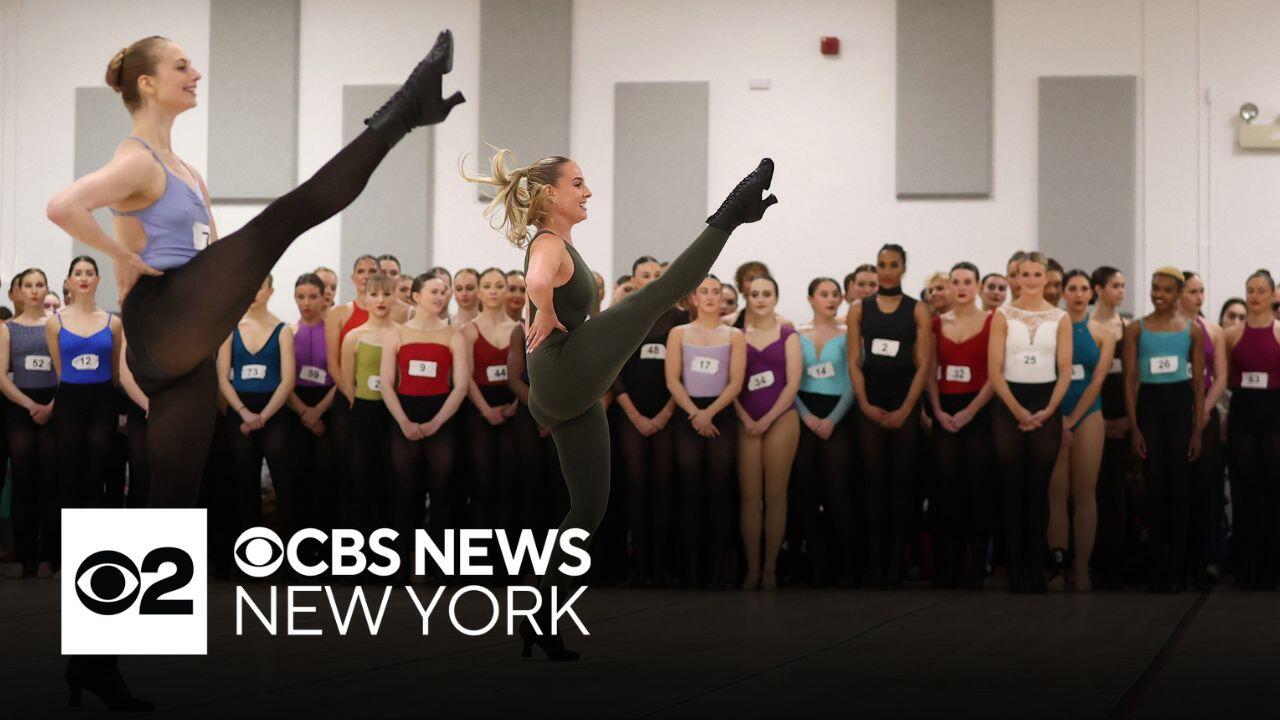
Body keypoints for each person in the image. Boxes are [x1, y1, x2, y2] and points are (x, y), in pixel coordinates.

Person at [464, 149, 775, 659]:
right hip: (564, 366)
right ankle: (731, 213)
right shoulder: (547, 241)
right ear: (549, 195)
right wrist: (540, 310)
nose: (587, 192)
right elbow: (537, 281)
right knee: (660, 295)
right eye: (578, 184)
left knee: (589, 508)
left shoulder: (561, 241)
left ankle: (538, 612)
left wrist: (544, 313)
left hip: (569, 387)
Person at [847, 244, 932, 588]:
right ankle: (873, 562)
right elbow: (854, 360)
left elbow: (923, 363)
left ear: (903, 268)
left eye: (893, 265)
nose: (886, 270)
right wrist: (865, 404)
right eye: (882, 264)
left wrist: (906, 409)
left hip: (904, 400)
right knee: (872, 481)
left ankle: (897, 563)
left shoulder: (918, 309)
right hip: (870, 399)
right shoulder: (859, 309)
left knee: (901, 482)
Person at [988, 252, 1072, 593]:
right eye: (1026, 274)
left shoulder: (1061, 317)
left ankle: (1036, 569)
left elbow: (1064, 369)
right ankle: (1013, 568)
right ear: (1017, 277)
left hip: (1046, 403)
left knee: (1038, 490)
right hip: (1009, 404)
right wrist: (1017, 410)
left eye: (1039, 274)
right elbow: (994, 369)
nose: (1033, 280)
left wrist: (1049, 409)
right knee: (1011, 488)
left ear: (1046, 276)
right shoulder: (1002, 315)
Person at [379, 273, 469, 580]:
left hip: (441, 416)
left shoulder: (453, 335)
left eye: (444, 291)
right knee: (406, 492)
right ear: (416, 296)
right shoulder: (397, 333)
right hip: (404, 415)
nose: (441, 296)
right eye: (434, 291)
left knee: (441, 491)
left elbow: (460, 386)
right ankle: (403, 566)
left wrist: (436, 423)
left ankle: (438, 566)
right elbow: (387, 385)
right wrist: (404, 421)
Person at [1123, 267, 1205, 592]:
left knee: (1180, 488)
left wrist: (1198, 429)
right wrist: (1134, 427)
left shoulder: (1192, 330)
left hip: (1179, 409)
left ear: (1178, 293)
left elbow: (1198, 383)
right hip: (1149, 410)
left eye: (1167, 290)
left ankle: (1179, 569)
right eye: (1155, 288)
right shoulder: (1136, 329)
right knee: (1154, 486)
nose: (1159, 294)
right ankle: (1156, 567)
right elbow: (1130, 380)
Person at [667, 276, 746, 589]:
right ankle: (690, 570)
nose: (711, 297)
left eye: (717, 292)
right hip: (688, 414)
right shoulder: (678, 333)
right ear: (694, 298)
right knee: (689, 491)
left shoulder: (734, 335)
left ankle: (718, 570)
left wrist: (710, 413)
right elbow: (673, 380)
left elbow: (735, 381)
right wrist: (695, 414)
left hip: (720, 414)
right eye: (705, 292)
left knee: (720, 490)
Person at [611, 256, 685, 587]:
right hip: (632, 413)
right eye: (646, 275)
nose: (653, 279)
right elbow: (613, 371)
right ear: (634, 280)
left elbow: (684, 371)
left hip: (669, 412)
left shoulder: (680, 318)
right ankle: (639, 566)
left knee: (664, 489)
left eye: (658, 274)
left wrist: (667, 411)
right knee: (637, 489)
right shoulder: (624, 317)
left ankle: (663, 565)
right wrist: (635, 415)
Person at [927, 262, 995, 589]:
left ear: (978, 286)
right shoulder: (937, 323)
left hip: (979, 409)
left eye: (968, 281)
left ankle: (978, 567)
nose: (962, 287)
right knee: (947, 489)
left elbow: (996, 374)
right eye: (956, 282)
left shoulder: (993, 321)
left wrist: (970, 411)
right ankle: (950, 566)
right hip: (946, 410)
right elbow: (930, 370)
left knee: (979, 488)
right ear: (949, 286)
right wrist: (938, 410)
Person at [1046, 270, 1115, 591]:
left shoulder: (1103, 331)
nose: (1077, 294)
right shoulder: (1051, 329)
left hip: (1088, 414)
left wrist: (1072, 420)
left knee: (1085, 494)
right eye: (1071, 288)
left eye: (1083, 289)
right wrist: (1057, 417)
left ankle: (1083, 567)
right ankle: (1058, 568)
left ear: (1092, 293)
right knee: (1056, 496)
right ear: (1062, 293)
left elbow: (1098, 380)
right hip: (1054, 413)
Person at [735, 276, 802, 590]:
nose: (760, 299)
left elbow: (792, 384)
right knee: (749, 497)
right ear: (747, 297)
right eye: (755, 294)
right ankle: (752, 569)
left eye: (767, 294)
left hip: (781, 419)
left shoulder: (788, 335)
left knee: (775, 495)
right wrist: (746, 417)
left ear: (776, 298)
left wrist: (768, 419)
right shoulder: (736, 337)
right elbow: (730, 383)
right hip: (746, 420)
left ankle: (772, 569)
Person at [216, 276, 296, 542]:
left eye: (259, 286)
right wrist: (243, 411)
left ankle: (289, 559)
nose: (252, 291)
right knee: (245, 483)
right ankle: (248, 556)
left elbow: (288, 380)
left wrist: (263, 416)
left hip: (273, 412)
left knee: (284, 482)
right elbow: (222, 376)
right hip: (241, 411)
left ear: (269, 291)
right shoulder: (231, 327)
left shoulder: (282, 329)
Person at [792, 277, 856, 587]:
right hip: (804, 413)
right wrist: (806, 417)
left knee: (837, 492)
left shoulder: (848, 335)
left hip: (837, 415)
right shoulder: (796, 334)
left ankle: (844, 566)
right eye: (824, 294)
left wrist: (831, 419)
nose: (831, 299)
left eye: (835, 294)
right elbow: (790, 382)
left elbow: (852, 380)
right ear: (811, 298)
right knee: (806, 492)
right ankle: (815, 565)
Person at [47, 257, 122, 512]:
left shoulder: (113, 322)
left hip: (103, 402)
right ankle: (64, 546)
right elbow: (60, 369)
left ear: (98, 279)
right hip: (69, 400)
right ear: (69, 280)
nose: (83, 278)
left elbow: (115, 370)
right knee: (68, 475)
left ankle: (95, 547)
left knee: (96, 472)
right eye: (77, 273)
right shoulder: (55, 322)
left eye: (89, 273)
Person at [1222, 270, 1280, 590]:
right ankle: (1245, 567)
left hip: (1275, 413)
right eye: (1250, 290)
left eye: (1260, 290)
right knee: (1245, 489)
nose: (1255, 296)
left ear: (1272, 295)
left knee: (1272, 489)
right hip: (1243, 411)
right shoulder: (1231, 334)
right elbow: (1227, 376)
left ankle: (1271, 569)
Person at [0, 269, 58, 579]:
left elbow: (66, 372)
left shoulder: (57, 326)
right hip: (20, 405)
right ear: (19, 291)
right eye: (29, 286)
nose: (34, 291)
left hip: (53, 404)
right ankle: (24, 557)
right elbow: (0, 376)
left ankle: (48, 556)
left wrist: (51, 406)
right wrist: (30, 405)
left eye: (39, 285)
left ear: (47, 288)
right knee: (23, 481)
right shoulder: (7, 329)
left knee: (50, 481)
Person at [460, 268, 519, 549]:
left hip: (513, 408)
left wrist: (513, 407)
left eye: (499, 285)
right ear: (480, 292)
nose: (494, 290)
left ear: (508, 290)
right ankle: (479, 561)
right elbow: (465, 378)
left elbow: (526, 375)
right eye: (488, 285)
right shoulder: (468, 330)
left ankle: (506, 563)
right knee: (481, 484)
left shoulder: (519, 330)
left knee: (509, 484)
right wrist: (486, 410)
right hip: (478, 410)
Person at [1181, 271, 1229, 588]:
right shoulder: (1164, 328)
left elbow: (1221, 375)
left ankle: (1209, 557)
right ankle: (1179, 559)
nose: (1199, 297)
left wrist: (1206, 408)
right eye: (1192, 291)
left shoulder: (1213, 330)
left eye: (1202, 291)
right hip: (1174, 411)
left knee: (1207, 487)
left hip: (1205, 415)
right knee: (1178, 487)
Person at [287, 273, 338, 532]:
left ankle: (328, 553)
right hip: (295, 407)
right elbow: (283, 378)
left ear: (324, 298)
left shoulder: (334, 331)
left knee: (327, 478)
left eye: (312, 296)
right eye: (301, 297)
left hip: (327, 406)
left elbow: (341, 377)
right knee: (298, 478)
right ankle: (301, 551)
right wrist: (303, 412)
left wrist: (317, 411)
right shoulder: (288, 332)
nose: (306, 302)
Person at [1090, 266, 1129, 589]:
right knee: (1094, 492)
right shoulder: (1086, 327)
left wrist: (1128, 418)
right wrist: (1097, 418)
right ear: (1098, 290)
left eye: (1123, 285)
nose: (1121, 291)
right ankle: (1092, 563)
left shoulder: (1128, 327)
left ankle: (1118, 565)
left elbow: (1134, 378)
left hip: (1123, 419)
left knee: (1119, 492)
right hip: (1094, 415)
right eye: (1115, 285)